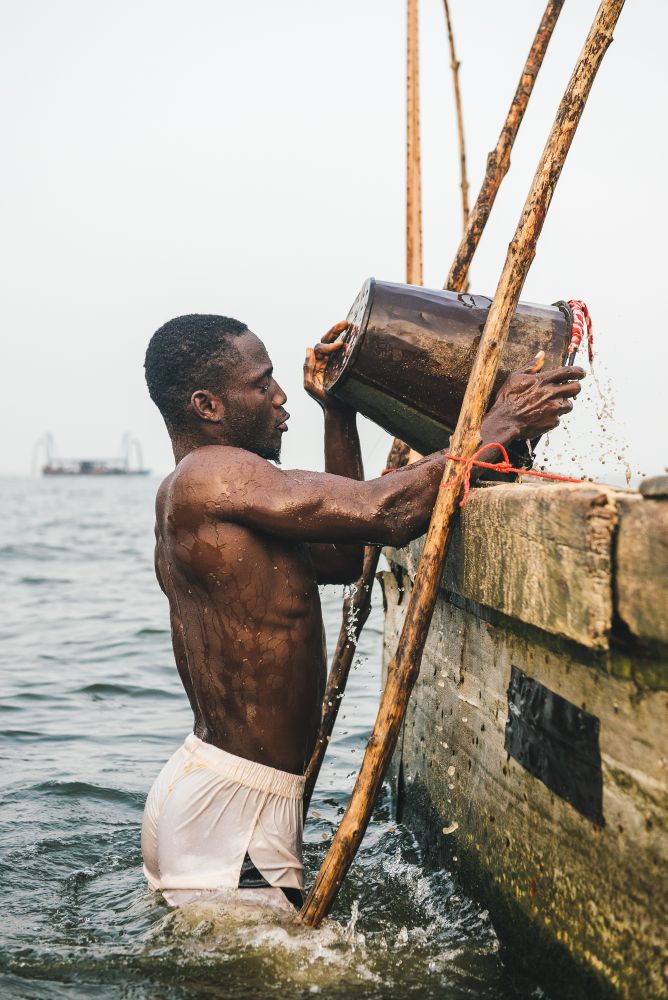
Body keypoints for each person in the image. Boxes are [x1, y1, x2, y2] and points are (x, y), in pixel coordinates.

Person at [141, 313, 584, 911]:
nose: (279, 397)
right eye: (262, 382)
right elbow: (386, 511)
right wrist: (500, 423)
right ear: (207, 405)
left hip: (218, 800)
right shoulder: (216, 472)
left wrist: (336, 412)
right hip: (234, 820)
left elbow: (345, 555)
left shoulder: (200, 488)